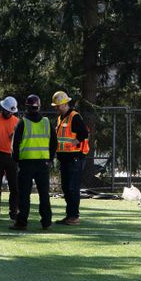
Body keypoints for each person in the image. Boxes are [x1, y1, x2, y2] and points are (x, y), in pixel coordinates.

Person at [10, 94, 53, 231]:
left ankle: (22, 222)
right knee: (44, 194)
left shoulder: (22, 123)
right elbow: (54, 143)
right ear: (39, 107)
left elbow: (15, 144)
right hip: (42, 163)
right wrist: (49, 159)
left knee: (24, 195)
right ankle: (46, 222)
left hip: (26, 163)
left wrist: (16, 159)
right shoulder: (47, 122)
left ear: (27, 107)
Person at [51, 90, 91, 225]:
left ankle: (74, 216)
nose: (56, 108)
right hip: (65, 158)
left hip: (74, 158)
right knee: (66, 187)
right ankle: (70, 215)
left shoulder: (74, 117)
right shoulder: (61, 118)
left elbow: (84, 133)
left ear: (63, 104)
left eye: (57, 105)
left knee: (72, 187)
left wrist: (74, 143)